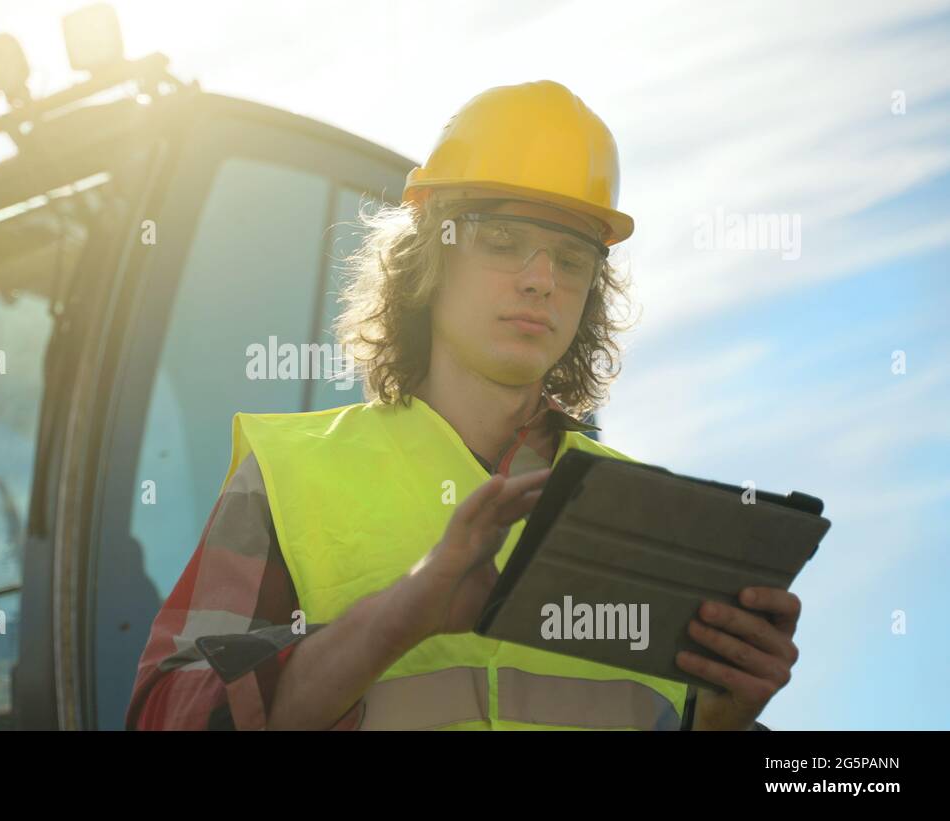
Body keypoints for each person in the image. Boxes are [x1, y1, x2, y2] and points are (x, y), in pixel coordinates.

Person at [126, 81, 801, 730]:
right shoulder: (288, 476)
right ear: (430, 257)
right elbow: (165, 715)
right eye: (504, 243)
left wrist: (719, 723)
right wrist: (402, 613)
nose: (541, 280)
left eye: (571, 260)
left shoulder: (652, 520)